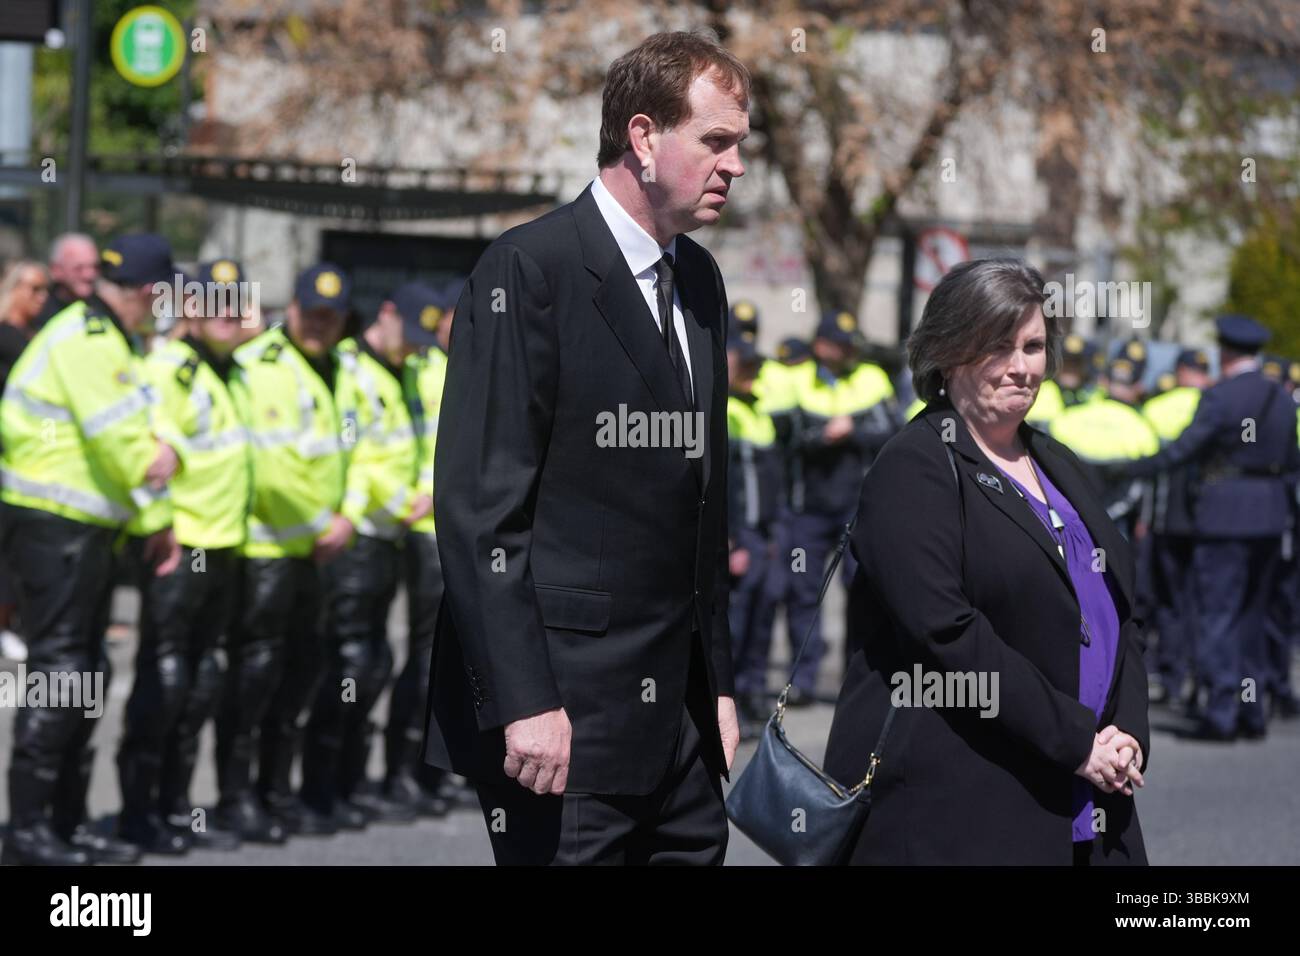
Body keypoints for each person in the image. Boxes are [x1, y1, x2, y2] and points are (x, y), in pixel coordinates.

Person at [425, 30, 745, 865]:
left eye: (739, 145)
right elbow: (479, 512)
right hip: (565, 728)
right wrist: (524, 702)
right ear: (643, 138)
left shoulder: (702, 281)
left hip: (679, 730)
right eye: (716, 141)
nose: (736, 166)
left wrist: (717, 684)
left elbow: (702, 502)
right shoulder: (529, 271)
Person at [824, 258, 1150, 865]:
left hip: (1091, 793)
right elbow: (946, 633)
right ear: (948, 352)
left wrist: (1126, 731)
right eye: (999, 346)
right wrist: (1078, 739)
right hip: (967, 803)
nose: (1022, 368)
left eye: (1034, 346)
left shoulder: (1059, 461)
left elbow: (1123, 607)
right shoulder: (915, 466)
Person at [0, 234, 181, 865]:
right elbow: (128, 444)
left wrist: (156, 516)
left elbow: (132, 447)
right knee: (61, 673)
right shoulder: (87, 340)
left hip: (84, 530)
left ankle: (65, 822)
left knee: (87, 674)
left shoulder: (107, 339)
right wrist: (160, 463)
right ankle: (26, 831)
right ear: (148, 292)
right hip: (55, 529)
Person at [115, 260, 253, 855]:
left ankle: (173, 805)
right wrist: (159, 526)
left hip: (225, 545)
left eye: (233, 301)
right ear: (188, 307)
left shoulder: (230, 371)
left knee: (200, 683)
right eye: (211, 301)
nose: (224, 312)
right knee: (165, 681)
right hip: (182, 546)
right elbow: (146, 454)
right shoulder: (168, 367)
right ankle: (136, 813)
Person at [217, 264, 354, 842]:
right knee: (255, 682)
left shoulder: (339, 367)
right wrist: (327, 521)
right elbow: (273, 469)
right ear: (291, 309)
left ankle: (274, 791)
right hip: (269, 547)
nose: (319, 325)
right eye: (310, 313)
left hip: (316, 550)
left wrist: (346, 515)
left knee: (297, 679)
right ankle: (234, 798)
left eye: (330, 316)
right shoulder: (265, 366)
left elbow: (359, 449)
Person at [1120, 316, 1300, 741]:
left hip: (1224, 517)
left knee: (1218, 614)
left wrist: (1132, 468)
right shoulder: (1280, 397)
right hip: (1270, 515)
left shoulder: (1220, 397)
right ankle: (1252, 711)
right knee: (1255, 615)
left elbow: (1183, 450)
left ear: (1225, 351)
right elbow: (1293, 460)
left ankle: (1222, 711)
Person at [299, 282, 438, 826]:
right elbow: (356, 452)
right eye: (410, 333)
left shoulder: (400, 371)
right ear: (386, 313)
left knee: (373, 663)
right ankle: (319, 787)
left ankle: (350, 783)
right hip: (358, 534)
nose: (415, 347)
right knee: (348, 664)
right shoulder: (353, 369)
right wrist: (400, 498)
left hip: (389, 536)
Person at [780, 309, 902, 702]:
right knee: (803, 592)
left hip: (856, 505)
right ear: (821, 346)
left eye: (852, 345)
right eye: (840, 344)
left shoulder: (871, 378)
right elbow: (787, 438)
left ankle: (855, 675)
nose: (848, 351)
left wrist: (853, 432)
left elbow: (893, 431)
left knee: (860, 589)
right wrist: (823, 436)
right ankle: (803, 680)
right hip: (809, 507)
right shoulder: (796, 380)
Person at [383, 281, 455, 816]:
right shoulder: (423, 368)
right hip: (427, 530)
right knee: (425, 657)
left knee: (454, 659)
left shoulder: (473, 361)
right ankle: (400, 770)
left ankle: (433, 769)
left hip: (459, 532)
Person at [1141, 348, 1211, 707]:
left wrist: (1145, 520)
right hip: (1208, 526)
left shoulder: (1158, 409)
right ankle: (1200, 681)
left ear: (1181, 371)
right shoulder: (1216, 406)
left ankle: (1170, 679)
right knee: (1202, 605)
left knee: (1169, 603)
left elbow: (1151, 472)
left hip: (1167, 521)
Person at [0, 259, 50, 663]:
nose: (41, 297)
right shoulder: (8, 338)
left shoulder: (35, 336)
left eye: (44, 289)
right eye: (33, 289)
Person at [33, 233, 99, 329]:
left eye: (95, 267)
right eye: (79, 268)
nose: (89, 275)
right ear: (56, 270)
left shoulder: (105, 309)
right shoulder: (39, 312)